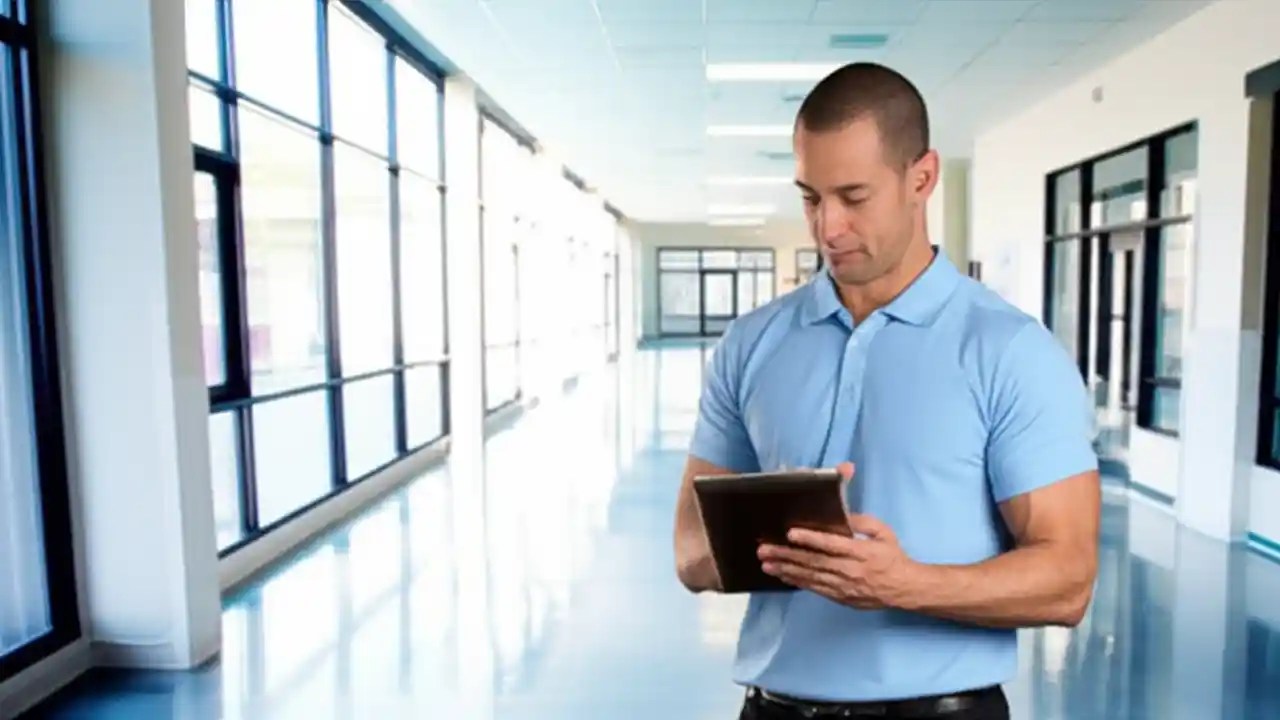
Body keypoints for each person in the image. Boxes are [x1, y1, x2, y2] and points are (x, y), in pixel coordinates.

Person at [672, 62, 1101, 720]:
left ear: (921, 179)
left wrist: (904, 585)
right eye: (811, 198)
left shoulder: (1010, 351)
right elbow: (693, 554)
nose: (828, 227)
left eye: (854, 196)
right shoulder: (751, 344)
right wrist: (792, 547)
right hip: (772, 708)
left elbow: (1068, 580)